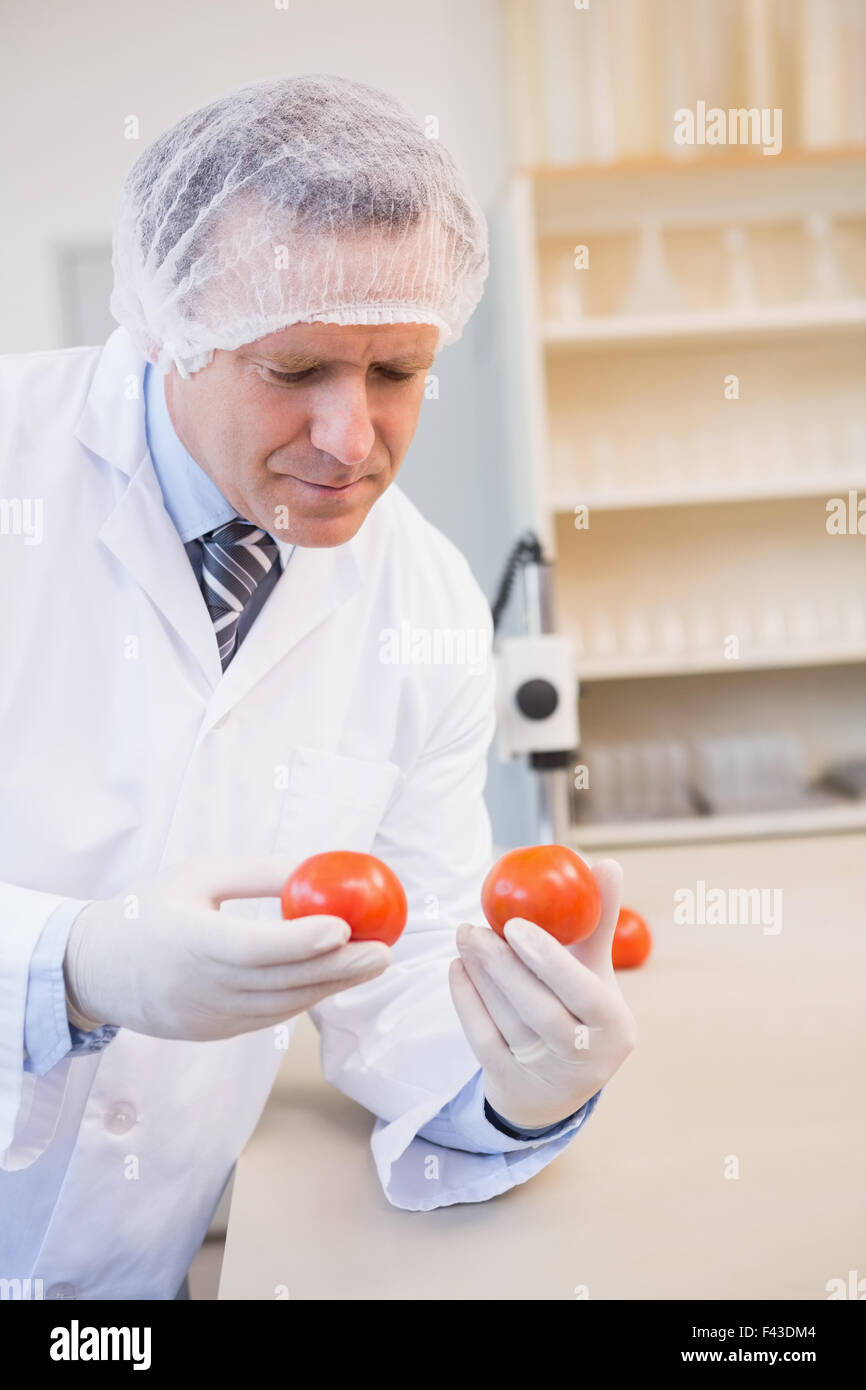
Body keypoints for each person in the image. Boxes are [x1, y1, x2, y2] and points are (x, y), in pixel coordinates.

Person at [0, 73, 636, 1300]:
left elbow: (397, 978)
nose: (351, 439)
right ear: (168, 326)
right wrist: (70, 966)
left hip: (127, 1285)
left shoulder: (425, 605)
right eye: (294, 368)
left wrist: (513, 1084)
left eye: (395, 372)